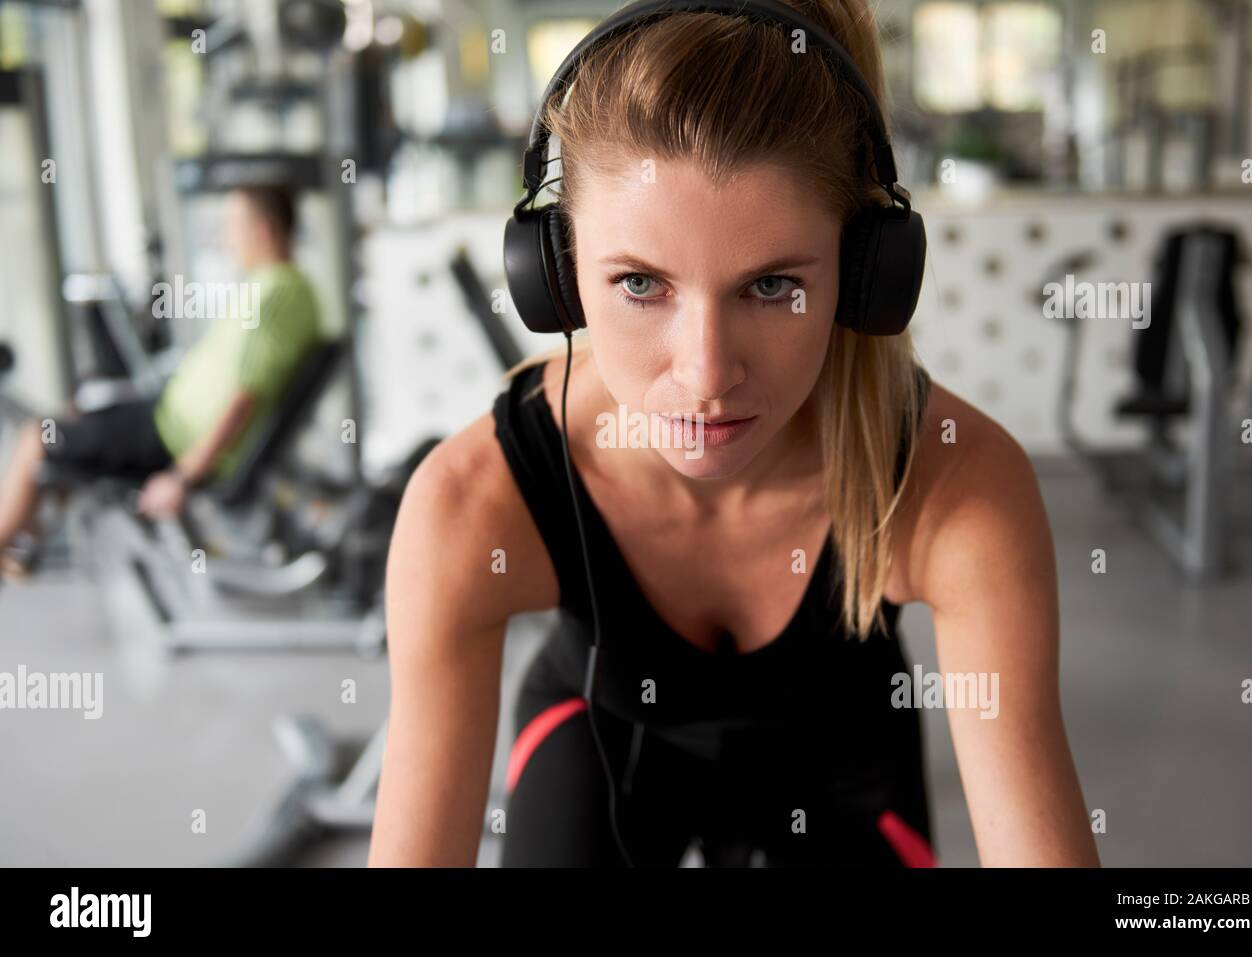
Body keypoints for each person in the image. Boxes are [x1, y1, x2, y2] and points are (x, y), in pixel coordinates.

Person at [370, 0, 1100, 867]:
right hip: (601, 741)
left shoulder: (956, 485)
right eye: (640, 283)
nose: (707, 374)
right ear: (557, 275)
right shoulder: (471, 503)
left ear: (865, 274)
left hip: (842, 763)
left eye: (771, 286)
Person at [0, 184, 324, 581]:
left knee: (39, 438)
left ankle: (11, 543)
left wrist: (182, 477)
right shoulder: (281, 288)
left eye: (231, 225)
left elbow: (244, 399)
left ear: (261, 228)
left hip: (171, 439)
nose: (224, 238)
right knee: (70, 424)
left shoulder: (277, 294)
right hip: (166, 420)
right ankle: (24, 538)